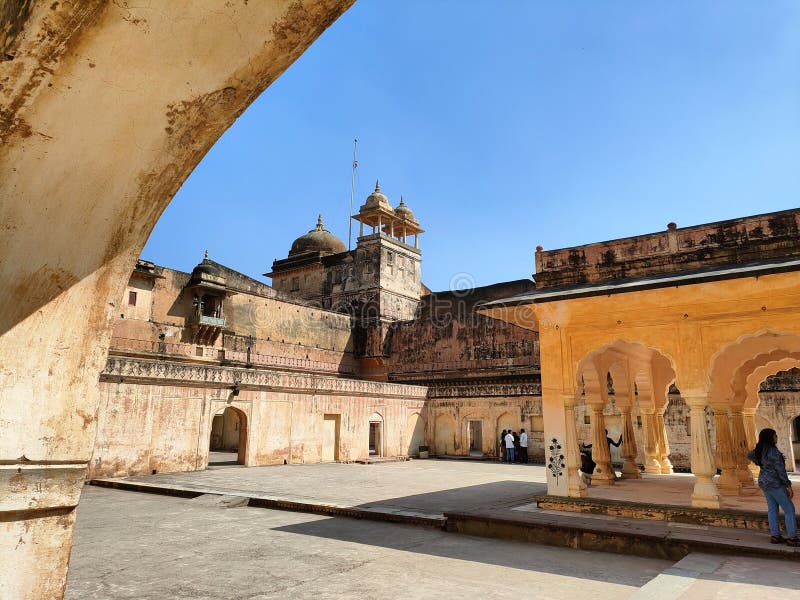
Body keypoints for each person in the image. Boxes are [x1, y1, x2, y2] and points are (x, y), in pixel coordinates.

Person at [747, 428, 798, 546]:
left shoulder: (759, 450)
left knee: (772, 509)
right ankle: (792, 538)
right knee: (789, 509)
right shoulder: (773, 452)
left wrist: (760, 463)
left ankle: (775, 536)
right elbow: (781, 471)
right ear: (770, 437)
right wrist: (788, 485)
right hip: (775, 483)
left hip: (764, 482)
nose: (776, 438)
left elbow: (749, 455)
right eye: (775, 436)